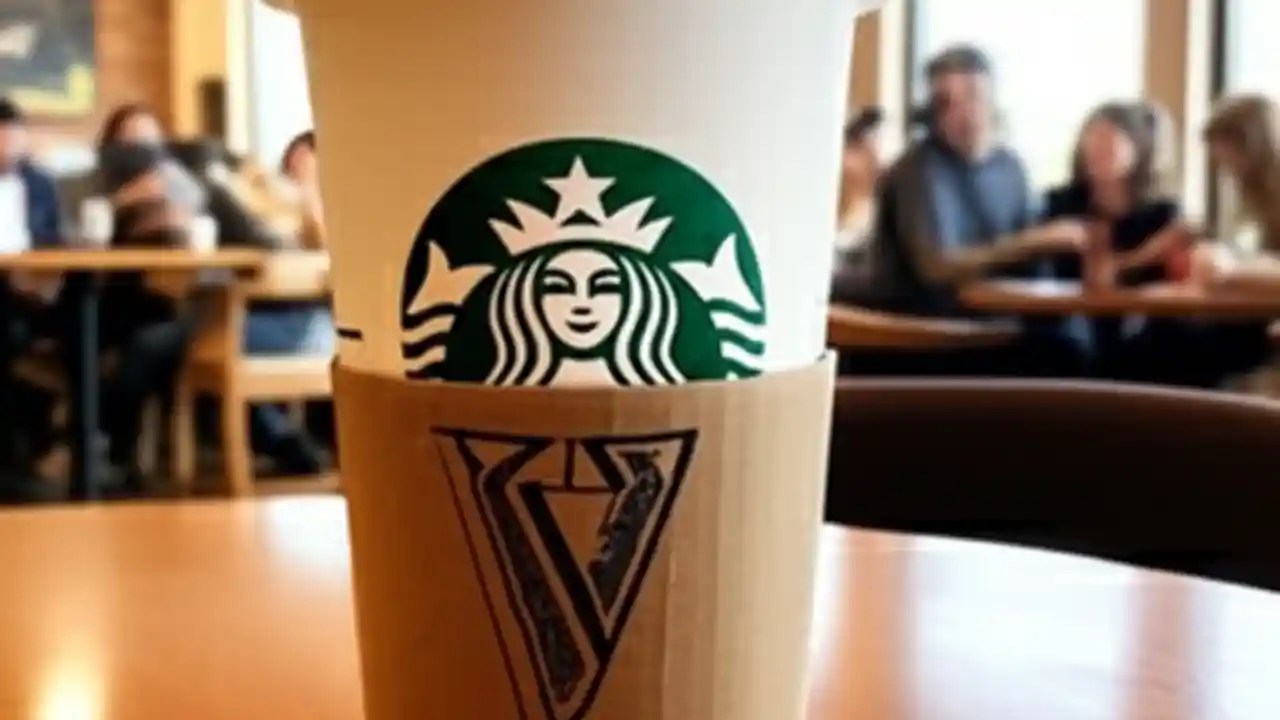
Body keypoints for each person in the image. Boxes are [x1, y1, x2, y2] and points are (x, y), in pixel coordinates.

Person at [867, 45, 1090, 375]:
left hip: (1003, 318)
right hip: (931, 330)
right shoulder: (918, 171)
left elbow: (1035, 257)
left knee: (1088, 340)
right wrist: (1033, 243)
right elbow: (936, 267)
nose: (964, 113)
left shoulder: (1010, 167)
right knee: (1061, 353)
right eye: (947, 103)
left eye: (972, 96)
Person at [1042, 102, 1183, 369]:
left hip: (1143, 327)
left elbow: (1169, 286)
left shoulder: (1162, 213)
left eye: (1109, 143)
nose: (1098, 152)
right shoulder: (1060, 205)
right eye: (1092, 142)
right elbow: (1052, 277)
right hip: (1073, 322)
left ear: (1137, 149)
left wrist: (1123, 265)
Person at [0, 96, 62, 469]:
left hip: (36, 289)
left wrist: (38, 277)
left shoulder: (40, 183)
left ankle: (42, 442)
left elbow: (53, 239)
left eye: (13, 138)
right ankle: (15, 454)